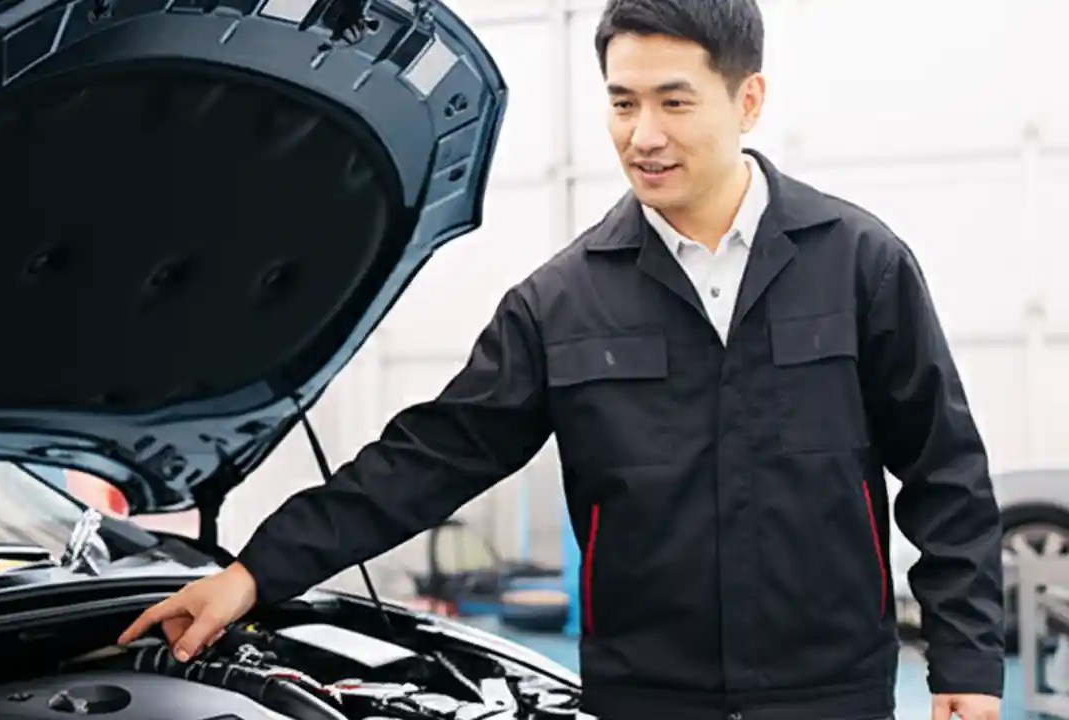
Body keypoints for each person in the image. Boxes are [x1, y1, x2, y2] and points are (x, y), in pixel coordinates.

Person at [118, 0, 1005, 718]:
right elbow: (430, 457)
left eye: (673, 100)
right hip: (647, 697)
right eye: (622, 102)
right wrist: (252, 573)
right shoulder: (562, 299)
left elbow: (945, 471)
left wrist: (967, 663)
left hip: (831, 694)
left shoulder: (857, 261)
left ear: (748, 100)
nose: (643, 134)